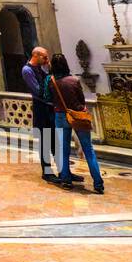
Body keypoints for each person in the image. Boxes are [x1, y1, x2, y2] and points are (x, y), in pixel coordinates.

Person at [48, 54, 104, 194]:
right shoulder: (74, 80)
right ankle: (98, 183)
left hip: (60, 115)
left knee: (63, 149)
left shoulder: (51, 81)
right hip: (77, 115)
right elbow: (81, 99)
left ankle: (66, 179)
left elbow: (48, 98)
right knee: (88, 150)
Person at [22, 46, 67, 184]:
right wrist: (51, 97)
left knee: (55, 143)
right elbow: (38, 91)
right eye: (45, 57)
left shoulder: (40, 69)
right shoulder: (27, 70)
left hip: (49, 109)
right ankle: (47, 173)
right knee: (45, 142)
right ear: (36, 55)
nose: (47, 60)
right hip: (41, 110)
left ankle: (64, 172)